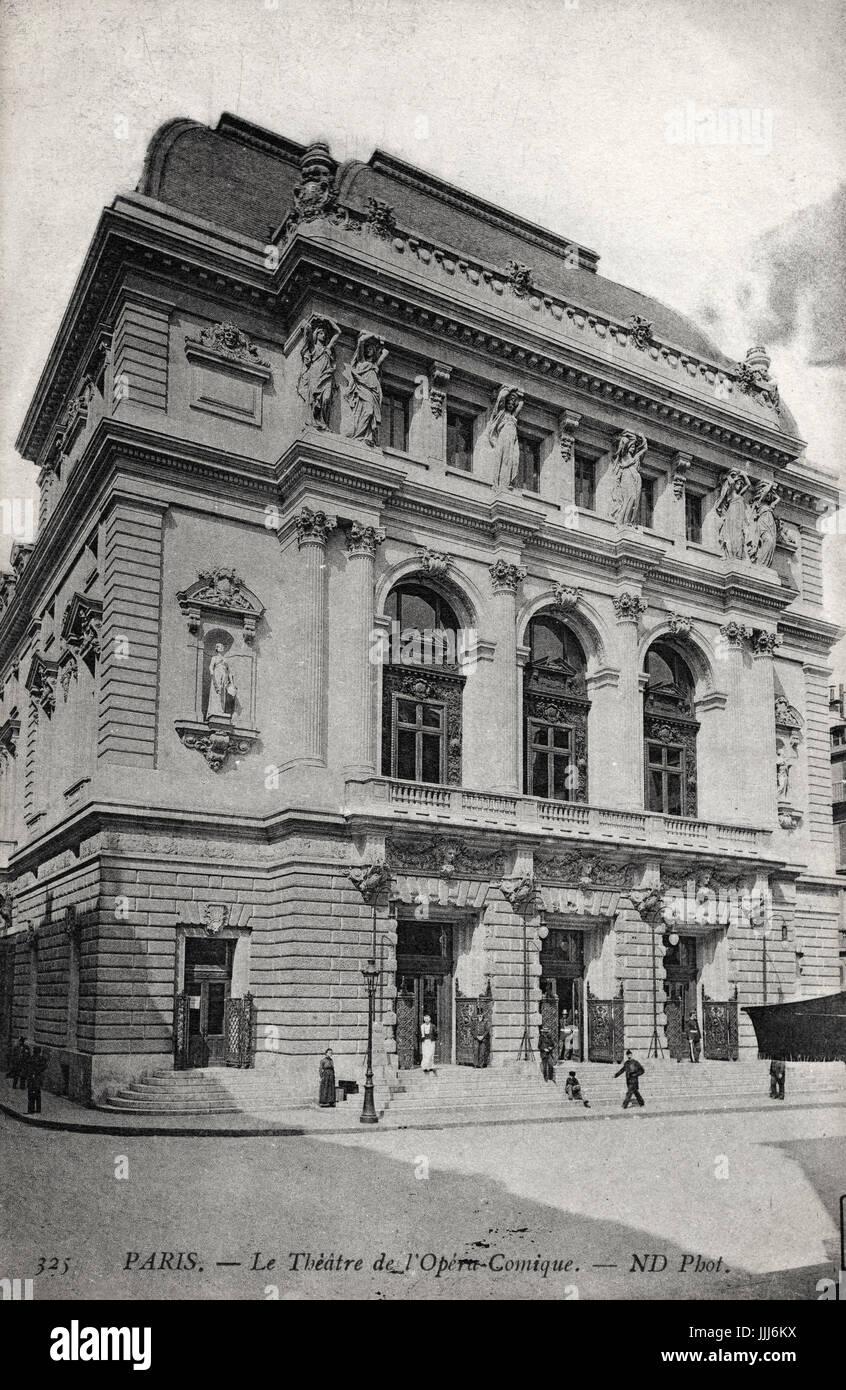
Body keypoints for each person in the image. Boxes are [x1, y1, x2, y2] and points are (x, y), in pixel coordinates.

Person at [344, 332, 389, 446]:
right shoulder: (361, 360)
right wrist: (372, 336)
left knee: (370, 413)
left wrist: (381, 341)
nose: (369, 350)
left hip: (374, 392)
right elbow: (361, 342)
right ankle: (358, 435)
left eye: (371, 349)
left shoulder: (375, 365)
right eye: (367, 349)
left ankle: (367, 436)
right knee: (368, 412)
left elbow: (385, 352)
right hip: (363, 389)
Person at [486, 386, 523, 490]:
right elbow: (501, 398)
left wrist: (519, 394)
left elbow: (520, 404)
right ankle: (501, 483)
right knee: (504, 458)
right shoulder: (501, 413)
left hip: (512, 439)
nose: (511, 404)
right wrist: (509, 389)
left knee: (513, 460)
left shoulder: (513, 416)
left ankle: (508, 483)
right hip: (503, 437)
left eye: (513, 403)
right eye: (509, 402)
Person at [608, 430, 648, 525]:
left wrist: (642, 438)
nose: (633, 448)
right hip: (627, 477)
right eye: (632, 446)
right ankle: (623, 522)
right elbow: (624, 444)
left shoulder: (636, 457)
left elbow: (644, 449)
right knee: (630, 498)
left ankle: (630, 521)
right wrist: (631, 436)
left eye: (634, 447)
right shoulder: (624, 456)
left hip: (636, 479)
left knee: (635, 502)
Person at [26, 1046, 47, 1115]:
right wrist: (39, 1071)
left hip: (33, 1078)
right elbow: (45, 1066)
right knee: (37, 1094)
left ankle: (31, 1109)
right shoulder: (42, 1059)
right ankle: (38, 1109)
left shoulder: (31, 1058)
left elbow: (28, 1068)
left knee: (31, 1094)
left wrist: (34, 1072)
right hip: (37, 1078)